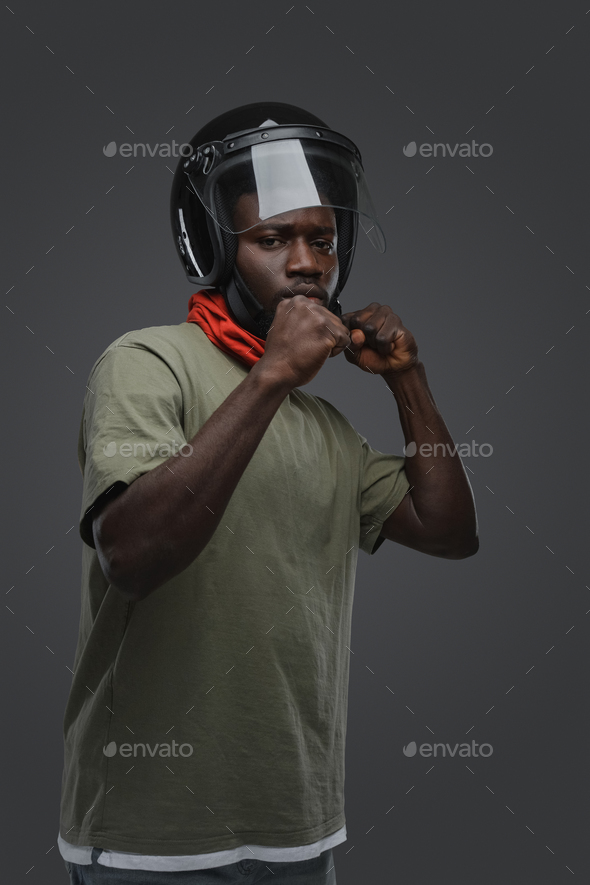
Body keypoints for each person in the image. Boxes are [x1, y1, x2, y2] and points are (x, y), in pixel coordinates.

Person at [58, 101, 479, 884]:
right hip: (153, 837)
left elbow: (450, 529)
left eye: (321, 239)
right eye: (272, 239)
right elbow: (132, 555)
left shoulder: (323, 426)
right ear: (218, 250)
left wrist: (408, 382)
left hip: (298, 829)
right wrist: (272, 374)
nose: (307, 263)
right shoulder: (147, 361)